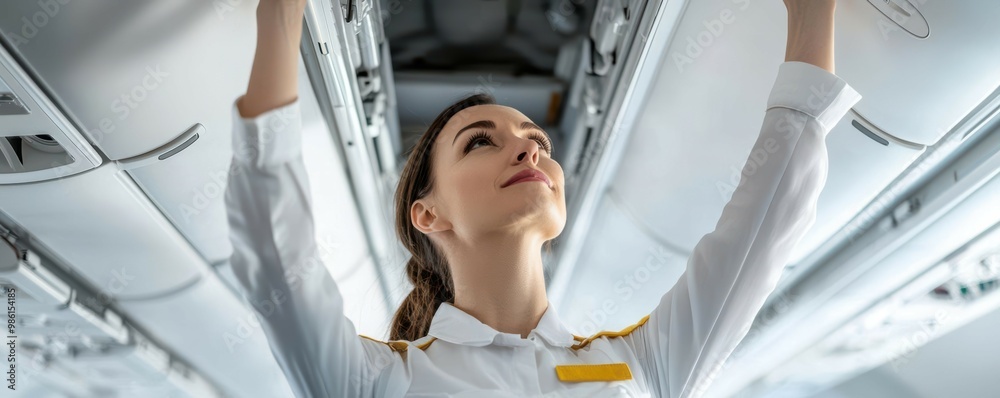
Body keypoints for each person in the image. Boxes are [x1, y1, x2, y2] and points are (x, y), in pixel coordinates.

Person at [224, 0, 861, 396]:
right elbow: (275, 254)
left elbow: (761, 225)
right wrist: (279, 14)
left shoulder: (640, 362)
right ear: (428, 214)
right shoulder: (377, 381)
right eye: (481, 143)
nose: (532, 151)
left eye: (538, 142)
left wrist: (812, 14)